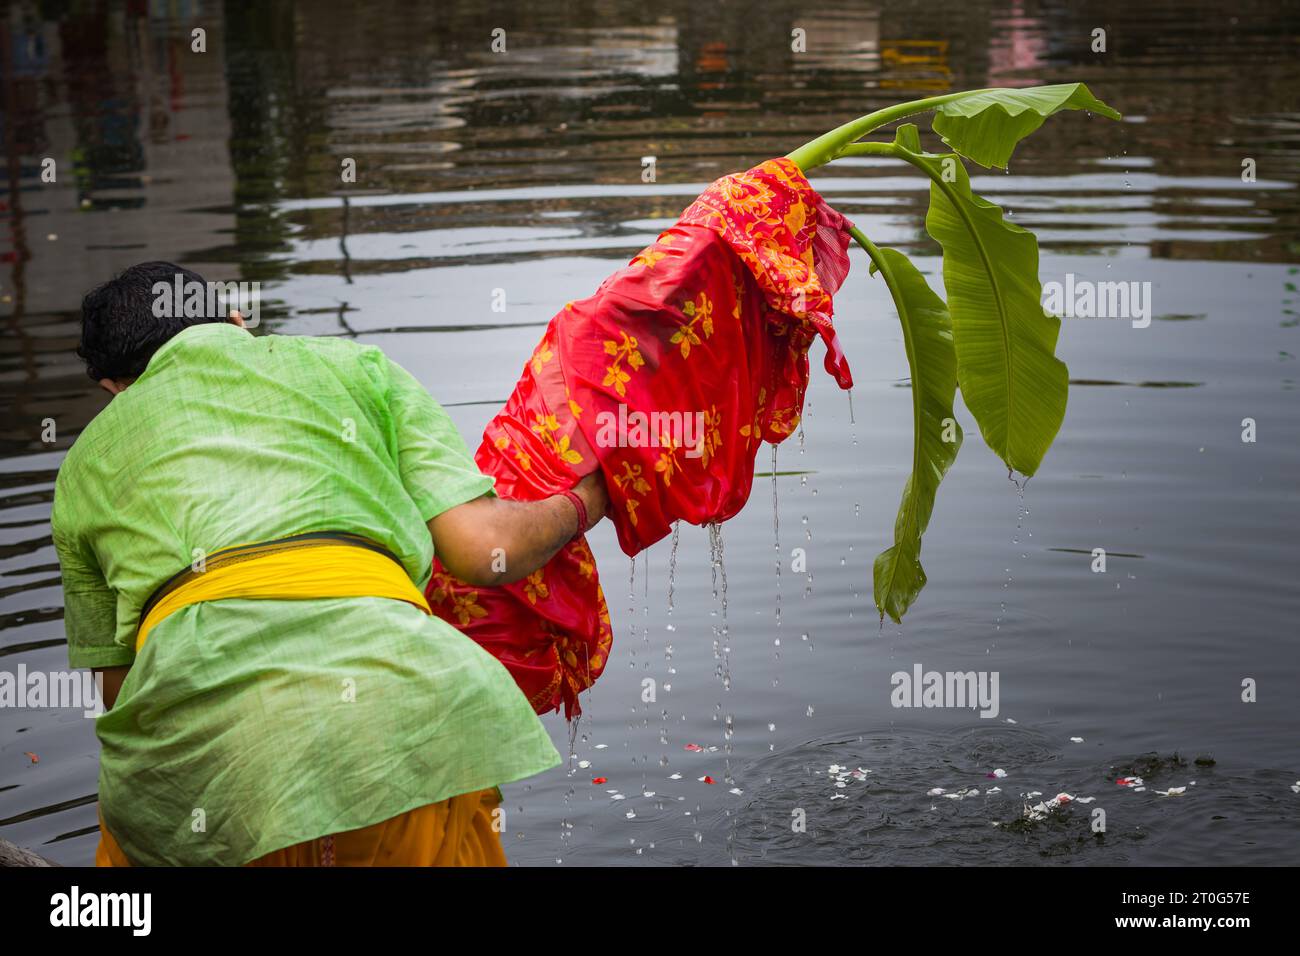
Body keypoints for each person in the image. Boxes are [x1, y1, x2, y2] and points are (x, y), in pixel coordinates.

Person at [51, 261, 608, 866]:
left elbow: (120, 691)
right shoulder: (354, 367)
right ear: (237, 322)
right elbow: (482, 549)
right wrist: (585, 501)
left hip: (210, 772)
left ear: (112, 389)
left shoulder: (80, 470)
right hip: (404, 716)